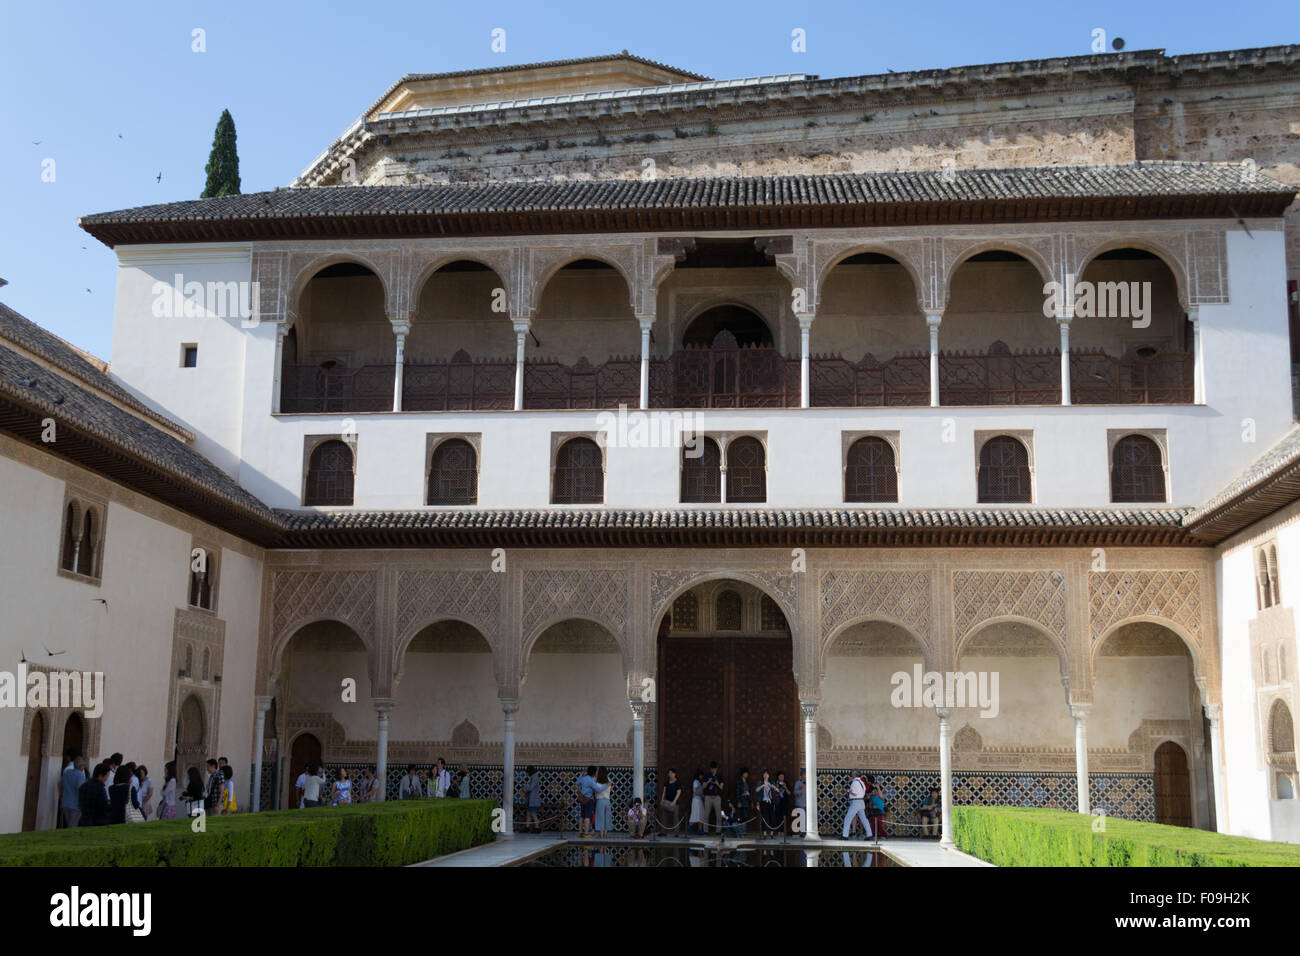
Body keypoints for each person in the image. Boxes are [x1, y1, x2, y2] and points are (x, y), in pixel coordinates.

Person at [60, 754, 86, 829]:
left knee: (69, 824)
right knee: (72, 826)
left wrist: (61, 795)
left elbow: (60, 784)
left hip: (65, 803)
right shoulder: (80, 774)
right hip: (75, 805)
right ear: (81, 766)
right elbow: (80, 789)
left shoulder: (67, 773)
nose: (84, 767)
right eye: (84, 765)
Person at [842, 774, 869, 839]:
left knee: (847, 818)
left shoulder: (855, 782)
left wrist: (848, 791)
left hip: (856, 802)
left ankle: (845, 835)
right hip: (861, 802)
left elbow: (855, 794)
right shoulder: (862, 782)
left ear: (854, 774)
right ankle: (869, 834)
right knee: (864, 819)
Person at [756, 769, 780, 837]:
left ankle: (771, 833)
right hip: (763, 802)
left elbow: (778, 790)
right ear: (763, 775)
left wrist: (773, 787)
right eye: (764, 774)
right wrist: (762, 786)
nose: (766, 775)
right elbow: (756, 790)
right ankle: (765, 833)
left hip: (770, 802)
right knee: (764, 817)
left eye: (767, 774)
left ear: (769, 775)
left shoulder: (771, 782)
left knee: (772, 817)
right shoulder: (760, 782)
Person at [702, 761, 723, 833]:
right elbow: (703, 787)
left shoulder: (720, 776)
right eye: (712, 768)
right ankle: (705, 831)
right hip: (708, 797)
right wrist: (708, 782)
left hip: (717, 797)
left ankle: (718, 831)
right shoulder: (707, 775)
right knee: (706, 815)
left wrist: (717, 783)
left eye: (714, 768)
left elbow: (721, 788)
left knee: (718, 815)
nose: (713, 770)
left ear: (716, 768)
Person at [576, 765, 597, 837]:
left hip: (582, 799)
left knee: (582, 816)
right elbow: (596, 789)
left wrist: (580, 775)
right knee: (588, 817)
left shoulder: (583, 778)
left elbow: (577, 783)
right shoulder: (592, 779)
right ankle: (586, 833)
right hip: (589, 800)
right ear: (594, 772)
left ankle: (580, 832)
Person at [592, 766, 612, 839]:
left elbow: (596, 792)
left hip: (600, 801)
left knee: (600, 818)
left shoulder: (596, 781)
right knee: (607, 818)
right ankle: (605, 834)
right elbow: (610, 791)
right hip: (607, 801)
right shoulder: (609, 780)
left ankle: (601, 834)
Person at [660, 768, 681, 834]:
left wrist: (674, 802)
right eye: (669, 773)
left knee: (675, 818)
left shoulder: (677, 783)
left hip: (674, 803)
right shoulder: (666, 782)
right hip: (666, 802)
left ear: (675, 774)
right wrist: (662, 799)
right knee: (664, 817)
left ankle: (676, 832)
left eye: (672, 773)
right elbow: (664, 792)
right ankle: (663, 832)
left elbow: (679, 792)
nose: (670, 774)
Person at [866, 776, 887, 841]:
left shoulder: (882, 796)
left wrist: (878, 787)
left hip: (881, 813)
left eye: (876, 790)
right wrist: (872, 806)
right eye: (874, 790)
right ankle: (873, 834)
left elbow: (880, 795)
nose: (875, 792)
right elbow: (869, 806)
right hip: (873, 813)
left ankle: (883, 835)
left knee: (880, 823)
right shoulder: (872, 797)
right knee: (872, 822)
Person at [523, 766, 541, 833]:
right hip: (531, 799)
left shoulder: (534, 778)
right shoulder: (533, 777)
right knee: (528, 813)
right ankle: (527, 827)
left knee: (533, 814)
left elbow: (531, 788)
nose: (526, 774)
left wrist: (525, 786)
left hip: (533, 800)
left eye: (527, 772)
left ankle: (537, 828)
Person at [735, 767, 751, 834]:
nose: (746, 775)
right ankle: (739, 831)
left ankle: (744, 831)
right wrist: (738, 801)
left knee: (745, 817)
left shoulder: (747, 782)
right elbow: (737, 792)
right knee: (739, 817)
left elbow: (749, 792)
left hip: (746, 801)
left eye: (747, 773)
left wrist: (750, 801)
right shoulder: (739, 782)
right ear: (742, 774)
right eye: (745, 773)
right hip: (741, 801)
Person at [688, 770, 704, 834]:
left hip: (699, 800)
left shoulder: (699, 782)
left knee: (701, 815)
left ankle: (700, 830)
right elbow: (694, 791)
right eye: (701, 775)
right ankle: (689, 827)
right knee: (695, 815)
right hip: (696, 800)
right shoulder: (696, 781)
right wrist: (701, 795)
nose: (702, 777)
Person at [793, 769, 807, 834]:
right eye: (804, 774)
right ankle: (802, 833)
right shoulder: (798, 783)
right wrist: (801, 790)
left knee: (808, 819)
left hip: (808, 804)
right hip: (800, 804)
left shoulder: (810, 783)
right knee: (802, 819)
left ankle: (808, 832)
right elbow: (795, 793)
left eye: (806, 774)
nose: (805, 775)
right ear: (801, 775)